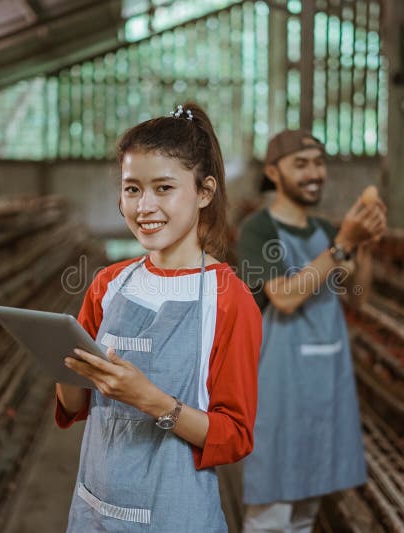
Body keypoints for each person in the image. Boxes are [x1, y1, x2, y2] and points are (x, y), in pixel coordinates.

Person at [54, 103, 262, 532]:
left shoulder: (228, 300)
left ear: (204, 192)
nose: (144, 206)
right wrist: (62, 362)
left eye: (163, 188)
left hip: (176, 517)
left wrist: (151, 400)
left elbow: (235, 434)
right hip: (92, 511)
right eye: (132, 189)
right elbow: (74, 403)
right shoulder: (108, 284)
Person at [237, 130, 387, 532]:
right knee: (272, 513)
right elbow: (284, 297)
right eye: (300, 164)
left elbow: (357, 297)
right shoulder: (258, 230)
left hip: (326, 384)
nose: (314, 173)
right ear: (274, 171)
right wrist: (342, 246)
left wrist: (364, 247)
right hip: (280, 388)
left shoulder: (324, 228)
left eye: (318, 163)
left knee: (305, 511)